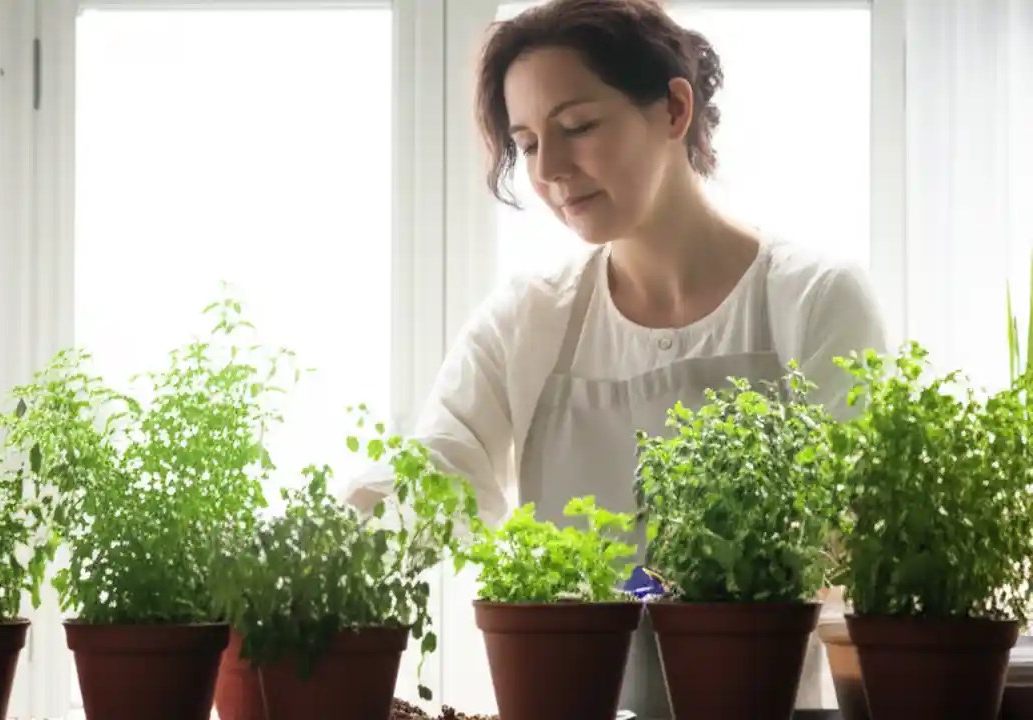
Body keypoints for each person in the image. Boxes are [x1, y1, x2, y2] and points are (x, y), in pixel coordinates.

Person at [342, 0, 887, 716]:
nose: (553, 170)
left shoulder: (812, 299)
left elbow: (847, 540)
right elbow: (436, 469)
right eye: (529, 143)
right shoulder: (530, 317)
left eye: (579, 127)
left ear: (673, 109)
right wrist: (318, 555)